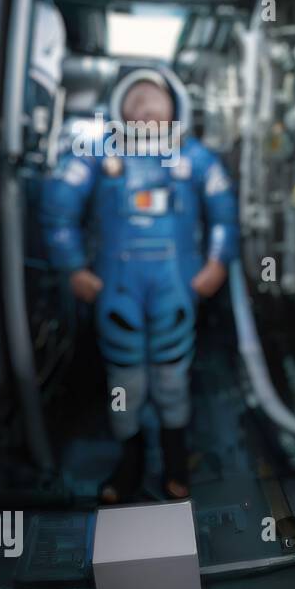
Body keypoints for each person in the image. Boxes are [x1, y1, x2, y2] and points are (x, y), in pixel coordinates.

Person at [41, 69, 239, 504]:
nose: (144, 105)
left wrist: (217, 263)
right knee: (123, 380)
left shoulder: (195, 157)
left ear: (175, 105)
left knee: (172, 376)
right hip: (118, 289)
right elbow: (58, 213)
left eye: (153, 97)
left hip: (176, 287)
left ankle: (174, 460)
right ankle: (128, 461)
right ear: (117, 107)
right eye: (134, 98)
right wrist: (73, 267)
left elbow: (224, 214)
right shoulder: (96, 154)